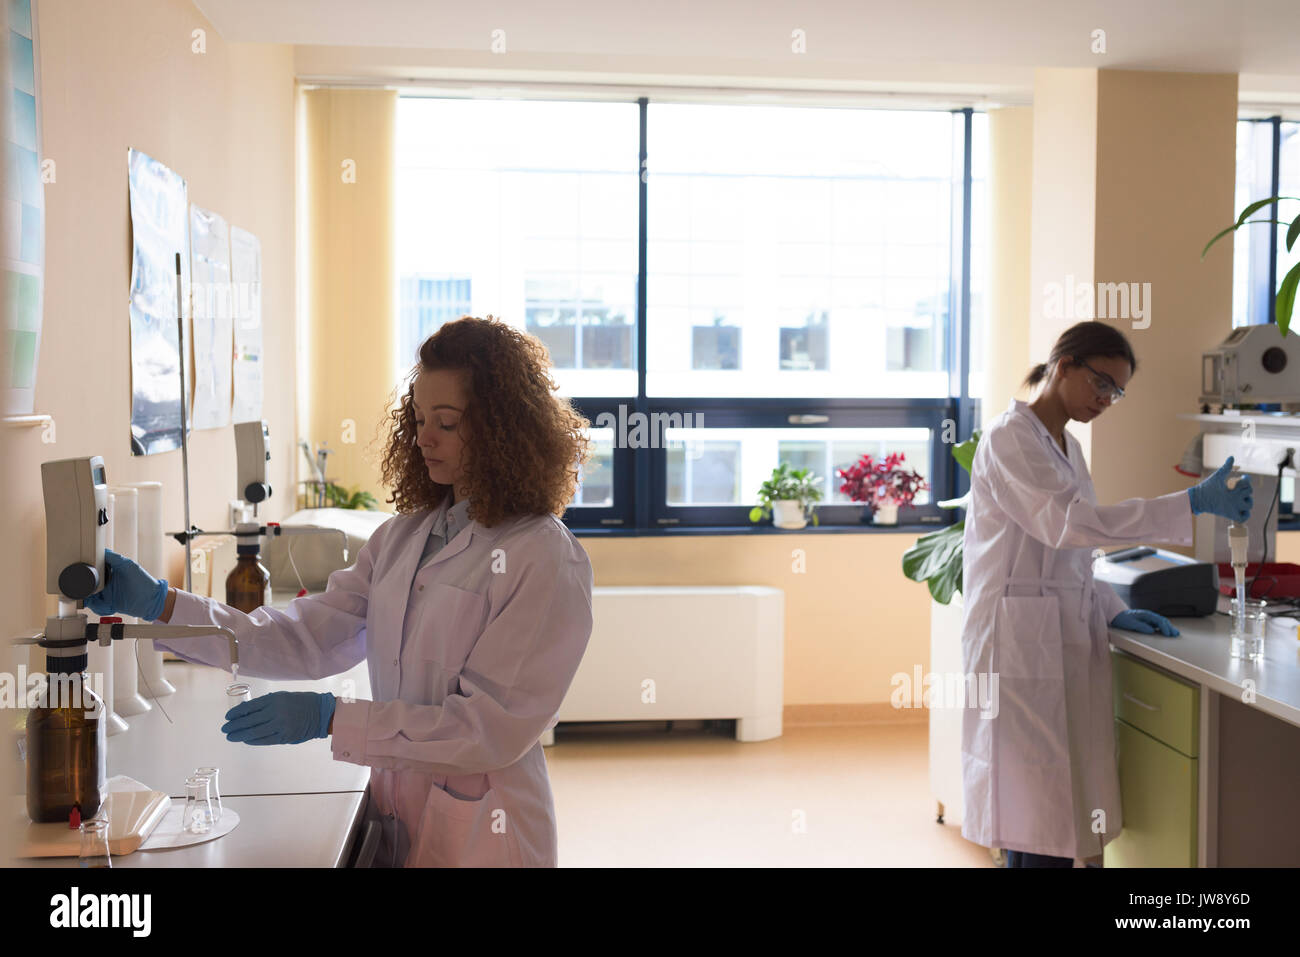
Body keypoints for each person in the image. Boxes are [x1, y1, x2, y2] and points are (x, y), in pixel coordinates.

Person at [87, 316, 595, 867]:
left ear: (502, 429)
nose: (424, 437)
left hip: (485, 837)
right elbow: (304, 637)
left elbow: (486, 731)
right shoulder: (402, 538)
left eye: (446, 423)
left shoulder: (542, 557)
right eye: (419, 418)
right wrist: (162, 605)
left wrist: (333, 717)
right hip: (400, 812)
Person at [960, 320, 1251, 868]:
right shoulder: (1009, 437)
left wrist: (1114, 611)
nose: (1106, 399)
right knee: (1033, 808)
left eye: (1116, 392)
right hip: (1016, 645)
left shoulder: (1066, 446)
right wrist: (1187, 503)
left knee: (1054, 805)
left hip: (1055, 635)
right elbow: (1069, 525)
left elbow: (1075, 556)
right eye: (1101, 383)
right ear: (1062, 364)